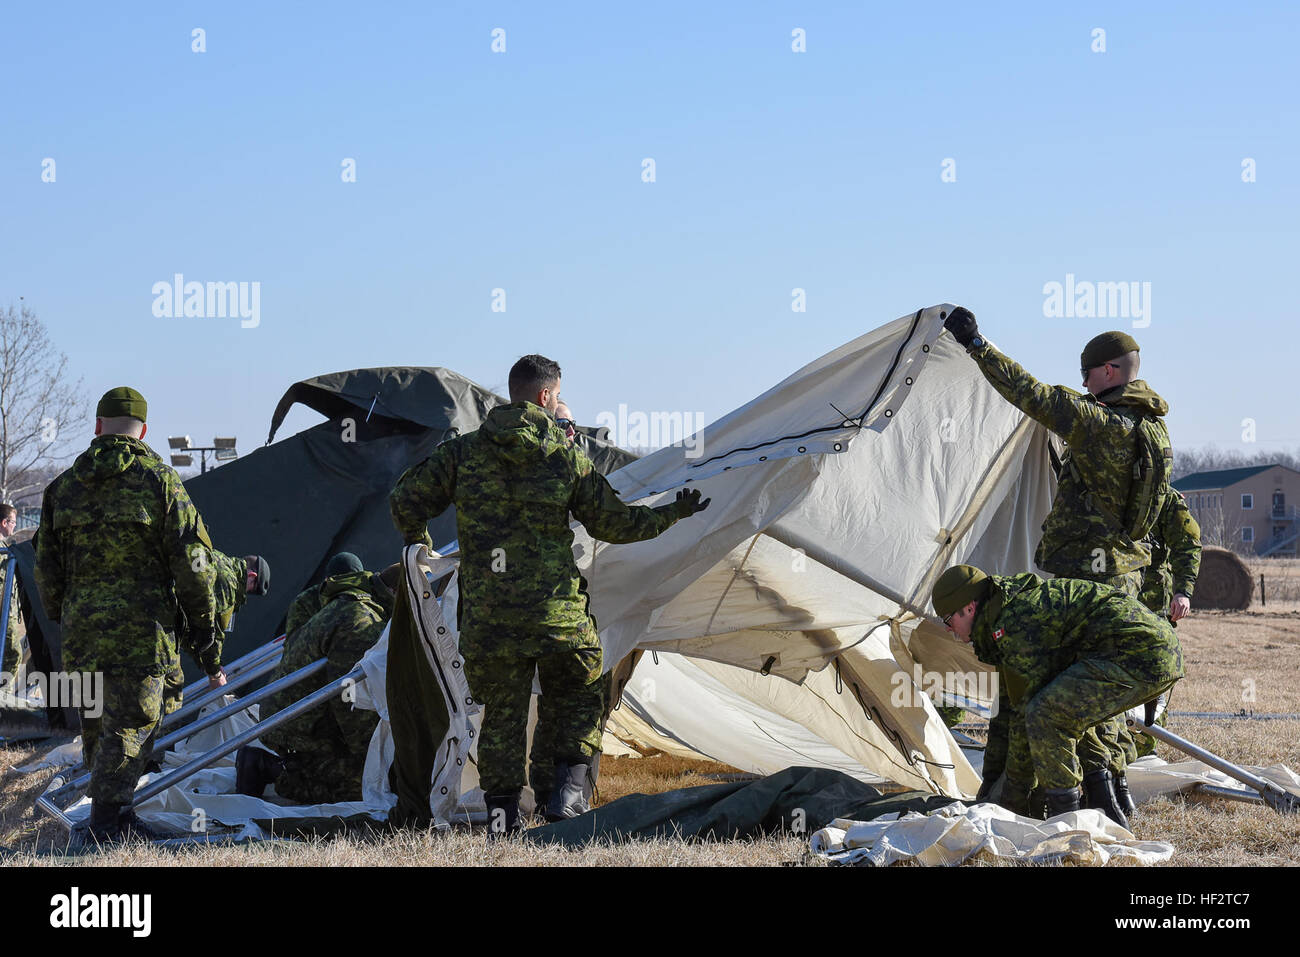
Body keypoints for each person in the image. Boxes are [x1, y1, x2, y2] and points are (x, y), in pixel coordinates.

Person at [389, 354, 711, 834]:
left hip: (489, 619)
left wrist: (423, 544)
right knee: (579, 693)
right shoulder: (564, 457)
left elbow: (404, 501)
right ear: (545, 397)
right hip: (556, 614)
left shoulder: (463, 453)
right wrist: (672, 513)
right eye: (558, 396)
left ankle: (501, 815)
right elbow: (616, 525)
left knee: (502, 714)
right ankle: (565, 799)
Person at [943, 310, 1174, 813]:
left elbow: (1032, 394)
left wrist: (977, 345)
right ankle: (1113, 796)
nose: (1083, 382)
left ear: (1110, 371)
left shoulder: (1100, 425)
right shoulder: (1152, 430)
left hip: (1086, 573)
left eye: (1088, 372)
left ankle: (1079, 806)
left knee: (1065, 694)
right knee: (1098, 694)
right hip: (1124, 574)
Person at [34, 387, 222, 843]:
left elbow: (45, 571)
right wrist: (206, 638)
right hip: (143, 634)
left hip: (82, 635)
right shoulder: (160, 480)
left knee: (98, 727)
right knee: (133, 727)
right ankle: (104, 828)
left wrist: (67, 615)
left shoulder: (61, 488)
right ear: (144, 430)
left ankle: (114, 819)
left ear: (98, 426)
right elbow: (196, 568)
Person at [932, 564, 1184, 823]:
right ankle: (1107, 807)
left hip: (1141, 653)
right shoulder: (1003, 618)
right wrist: (990, 784)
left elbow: (1024, 721)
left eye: (948, 620)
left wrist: (1012, 801)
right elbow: (1007, 709)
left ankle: (1065, 822)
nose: (949, 629)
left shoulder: (1016, 622)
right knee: (1065, 711)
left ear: (970, 608)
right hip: (1146, 649)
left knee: (1046, 715)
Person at [236, 566, 394, 803]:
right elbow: (349, 700)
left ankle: (292, 764)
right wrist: (374, 758)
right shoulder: (359, 622)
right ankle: (271, 770)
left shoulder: (351, 605)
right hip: (299, 725)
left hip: (299, 715)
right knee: (372, 782)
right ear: (394, 593)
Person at [1131, 488, 1201, 761]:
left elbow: (1188, 543)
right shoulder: (1106, 489)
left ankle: (1146, 752)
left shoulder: (1164, 498)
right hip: (1110, 600)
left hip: (1152, 604)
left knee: (1155, 676)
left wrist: (1183, 591)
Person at [0, 503, 25, 684]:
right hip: (3, 611)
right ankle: (4, 698)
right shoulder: (3, 551)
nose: (15, 526)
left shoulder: (5, 547)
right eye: (13, 522)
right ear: (4, 522)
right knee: (13, 653)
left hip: (6, 609)